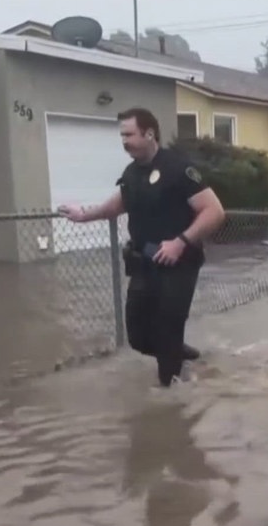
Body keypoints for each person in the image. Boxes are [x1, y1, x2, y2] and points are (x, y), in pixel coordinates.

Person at [58, 107, 226, 386]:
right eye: (121, 135)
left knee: (168, 329)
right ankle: (178, 354)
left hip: (178, 264)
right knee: (137, 336)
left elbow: (214, 211)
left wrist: (180, 242)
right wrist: (84, 214)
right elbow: (120, 203)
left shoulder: (177, 168)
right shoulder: (132, 172)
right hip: (144, 263)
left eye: (129, 134)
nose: (124, 141)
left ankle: (171, 401)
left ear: (149, 134)